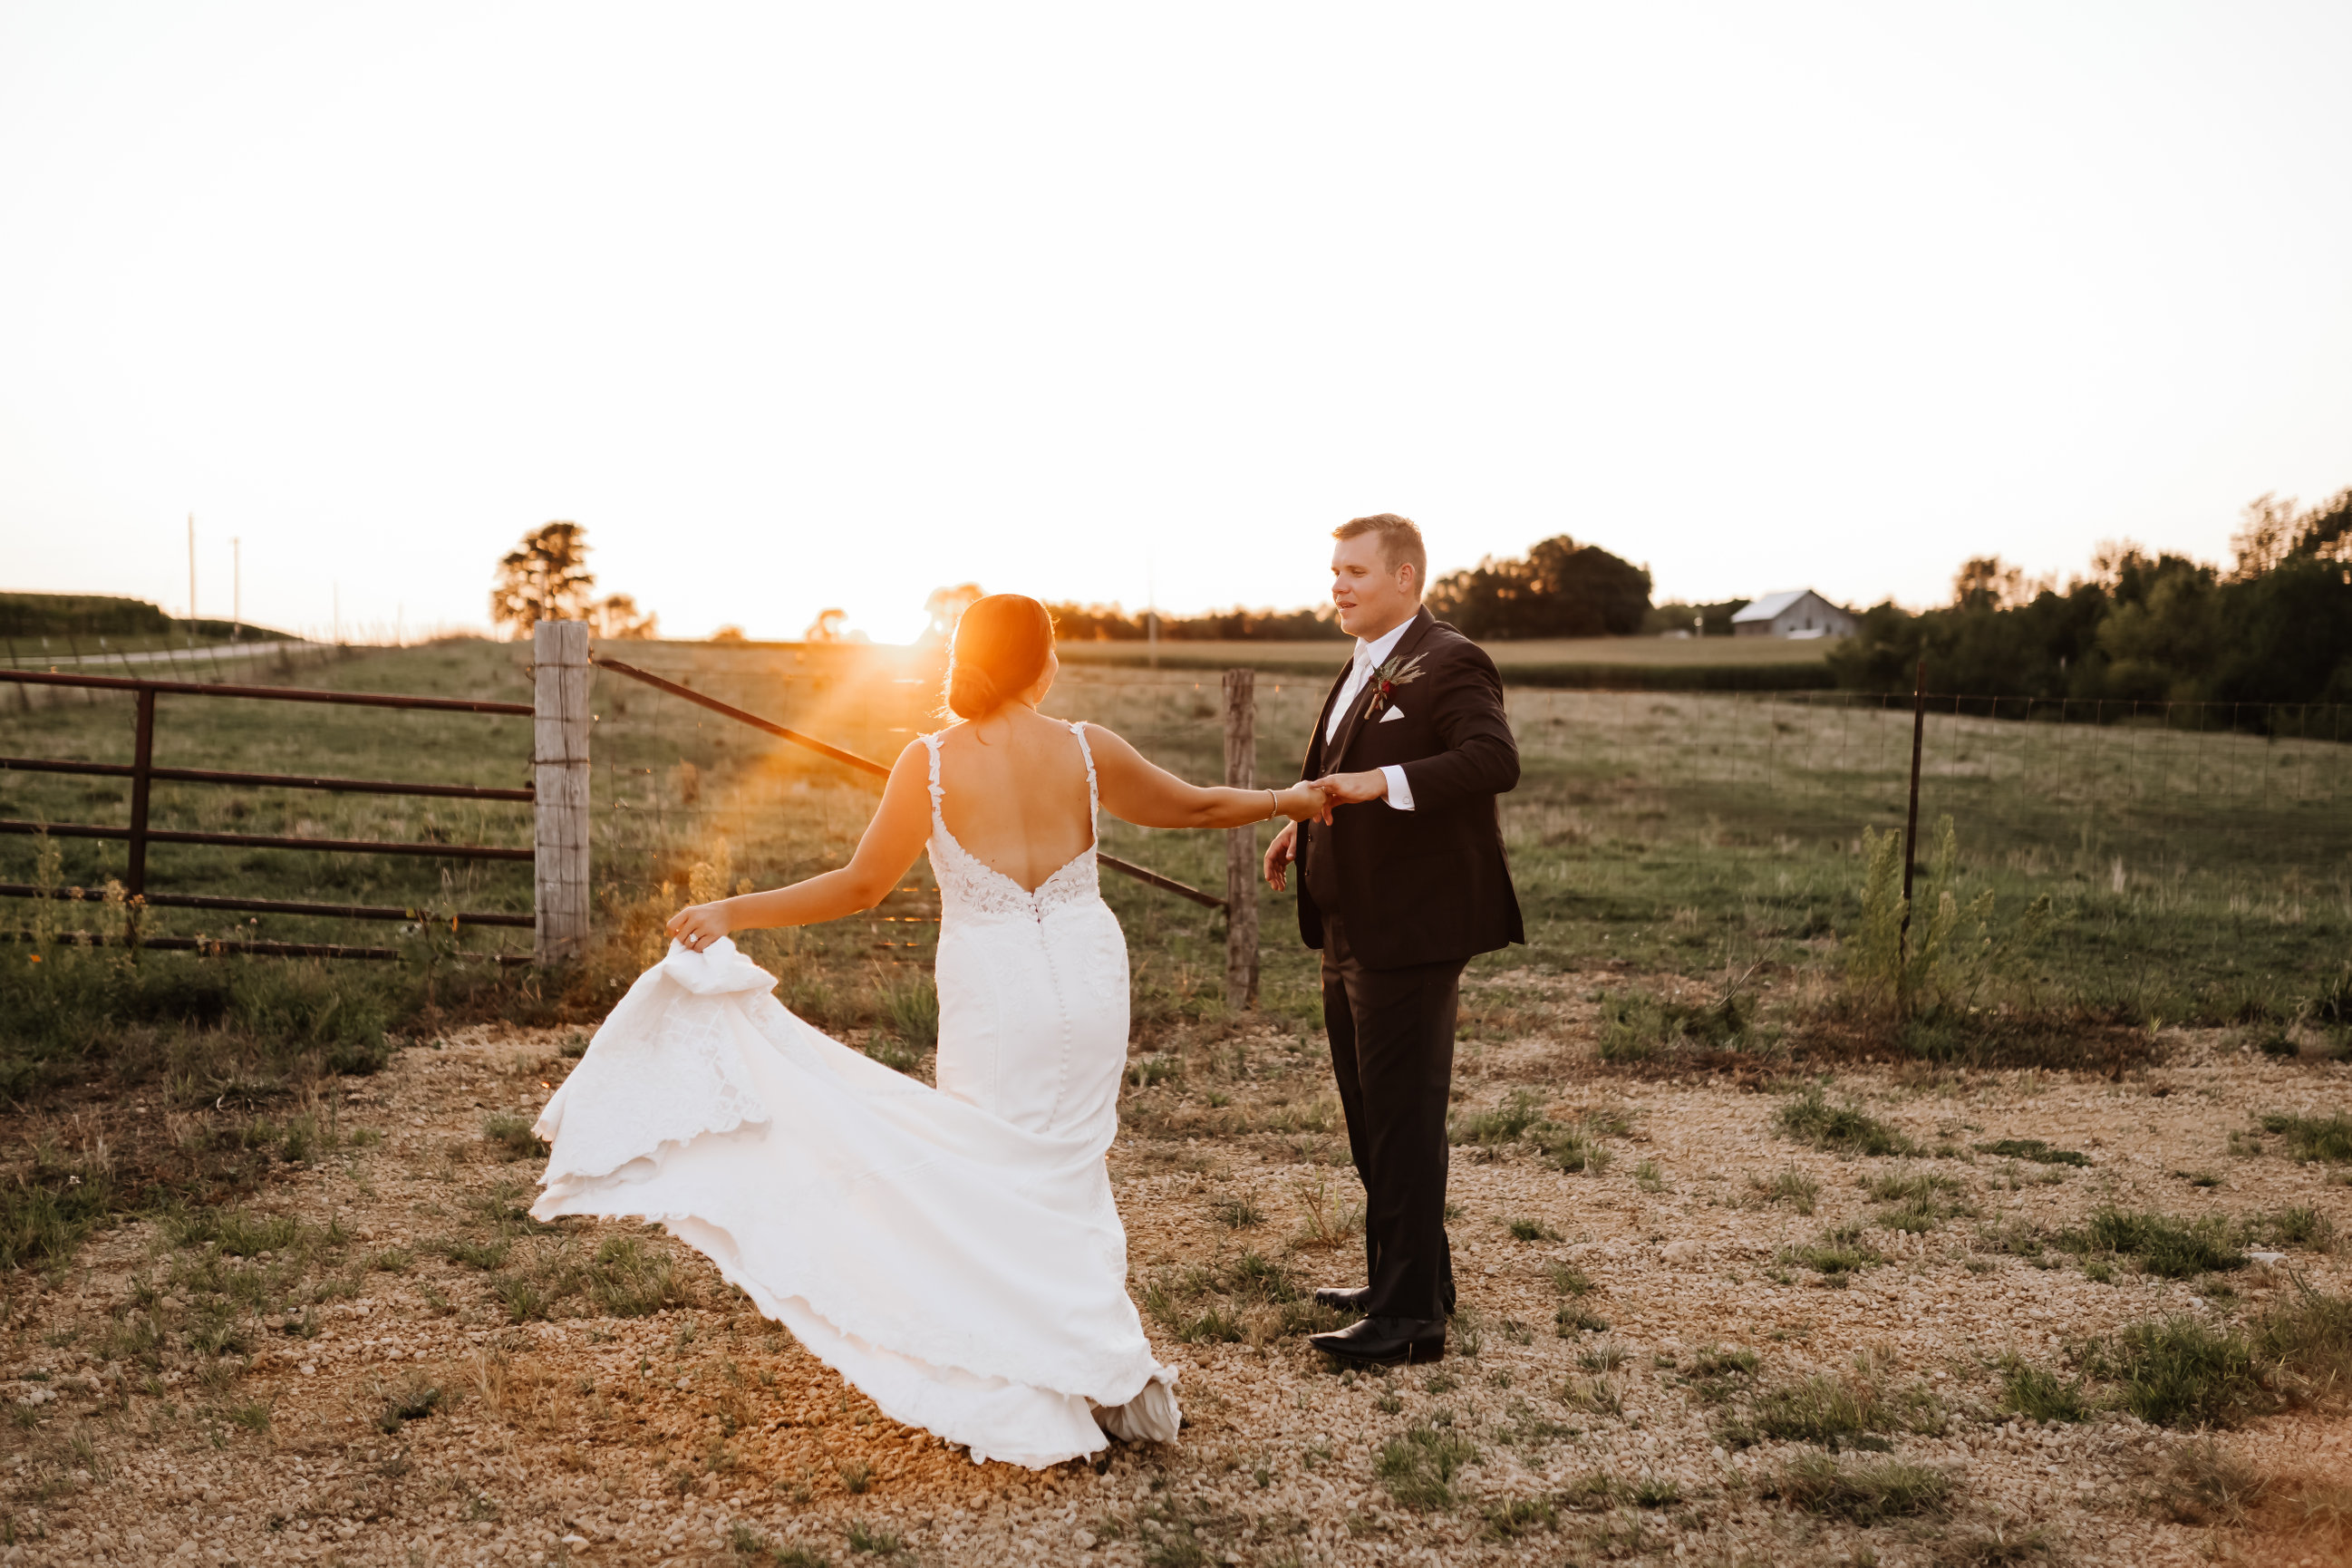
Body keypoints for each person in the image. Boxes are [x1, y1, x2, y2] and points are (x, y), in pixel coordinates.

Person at [529, 594, 1331, 1468]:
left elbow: (860, 886)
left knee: (991, 1169)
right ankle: (1095, 1368)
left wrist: (733, 910)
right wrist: (1292, 798)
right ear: (1044, 661)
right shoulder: (1086, 747)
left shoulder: (932, 761)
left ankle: (1035, 1373)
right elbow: (1199, 807)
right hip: (1088, 976)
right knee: (1066, 1164)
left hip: (996, 990)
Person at [1263, 513, 1524, 1367]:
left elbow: (1491, 760)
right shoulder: (1362, 664)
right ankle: (1407, 1279)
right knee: (1372, 1116)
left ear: (1405, 578)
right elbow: (1338, 770)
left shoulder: (1451, 659)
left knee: (1403, 1120)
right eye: (1333, 572)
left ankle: (1411, 1320)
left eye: (1355, 573)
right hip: (1349, 924)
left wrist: (1379, 782)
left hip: (1410, 929)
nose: (1337, 585)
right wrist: (1305, 828)